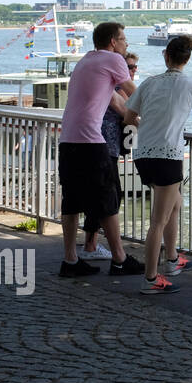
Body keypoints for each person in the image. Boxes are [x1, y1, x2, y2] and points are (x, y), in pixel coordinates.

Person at [124, 35, 192, 294]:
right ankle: (151, 279)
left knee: (175, 204)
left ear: (166, 55)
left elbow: (129, 119)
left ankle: (172, 260)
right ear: (188, 57)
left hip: (143, 154)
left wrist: (152, 125)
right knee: (158, 221)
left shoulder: (149, 83)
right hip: (168, 156)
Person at [57, 22, 143, 277]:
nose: (126, 44)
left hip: (68, 139)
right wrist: (158, 116)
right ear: (113, 42)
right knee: (107, 199)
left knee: (71, 201)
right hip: (90, 141)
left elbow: (117, 101)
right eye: (124, 39)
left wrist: (138, 120)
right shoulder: (114, 59)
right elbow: (135, 95)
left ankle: (70, 261)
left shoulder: (86, 60)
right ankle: (119, 259)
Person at [81, 50, 139, 261]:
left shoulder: (116, 88)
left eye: (134, 67)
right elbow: (126, 112)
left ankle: (92, 244)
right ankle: (94, 247)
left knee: (105, 195)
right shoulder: (113, 89)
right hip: (103, 147)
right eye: (129, 67)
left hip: (109, 147)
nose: (133, 70)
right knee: (108, 196)